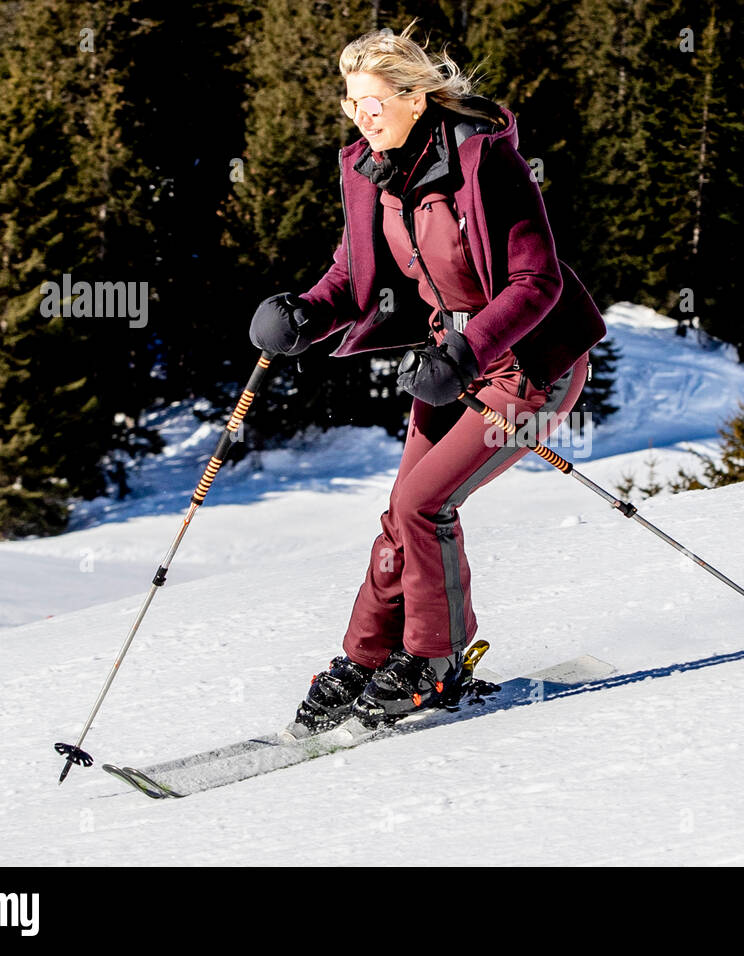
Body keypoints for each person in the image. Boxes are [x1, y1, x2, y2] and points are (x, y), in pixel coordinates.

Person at [248, 24, 605, 729]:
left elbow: (536, 283)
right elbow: (352, 281)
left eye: (373, 101)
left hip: (531, 365)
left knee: (423, 505)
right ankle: (365, 658)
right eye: (352, 102)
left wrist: (469, 353)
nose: (361, 115)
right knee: (400, 516)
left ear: (416, 98)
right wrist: (299, 317)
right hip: (454, 363)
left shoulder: (485, 161)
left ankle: (435, 660)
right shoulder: (369, 169)